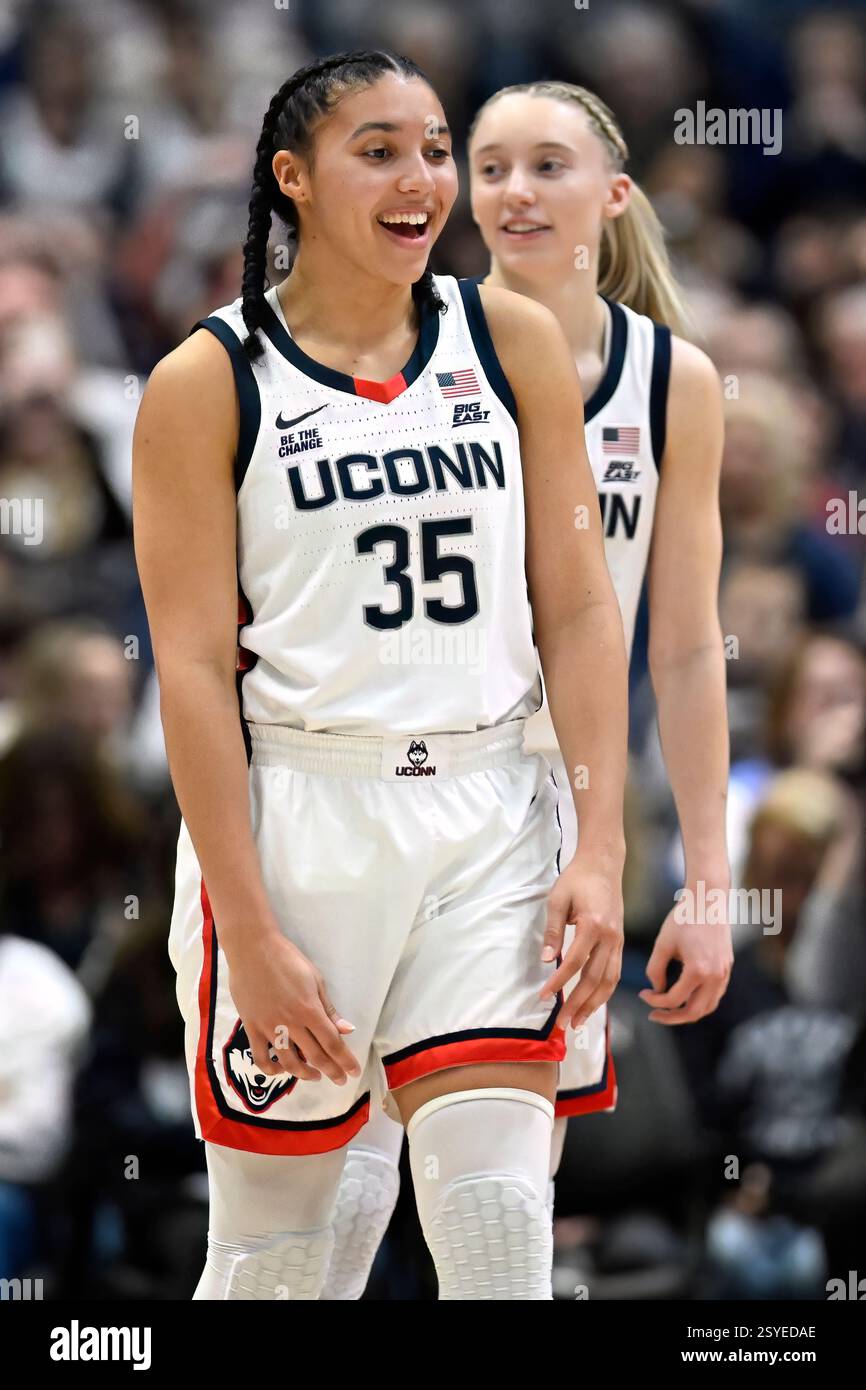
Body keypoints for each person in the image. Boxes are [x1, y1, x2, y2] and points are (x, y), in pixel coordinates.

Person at [132, 52, 630, 1301]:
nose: (423, 182)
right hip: (300, 822)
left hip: (489, 811)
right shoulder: (206, 382)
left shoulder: (506, 335)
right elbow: (189, 671)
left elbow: (575, 609)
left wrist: (603, 848)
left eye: (434, 149)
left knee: (501, 1233)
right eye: (380, 151)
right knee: (285, 1261)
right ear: (291, 178)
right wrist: (244, 927)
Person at [321, 80, 734, 1300]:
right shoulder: (402, 344)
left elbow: (687, 649)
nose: (510, 192)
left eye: (545, 166)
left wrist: (706, 886)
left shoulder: (672, 379)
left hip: (562, 810)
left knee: (504, 1213)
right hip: (391, 777)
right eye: (488, 167)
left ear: (612, 195)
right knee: (341, 1184)